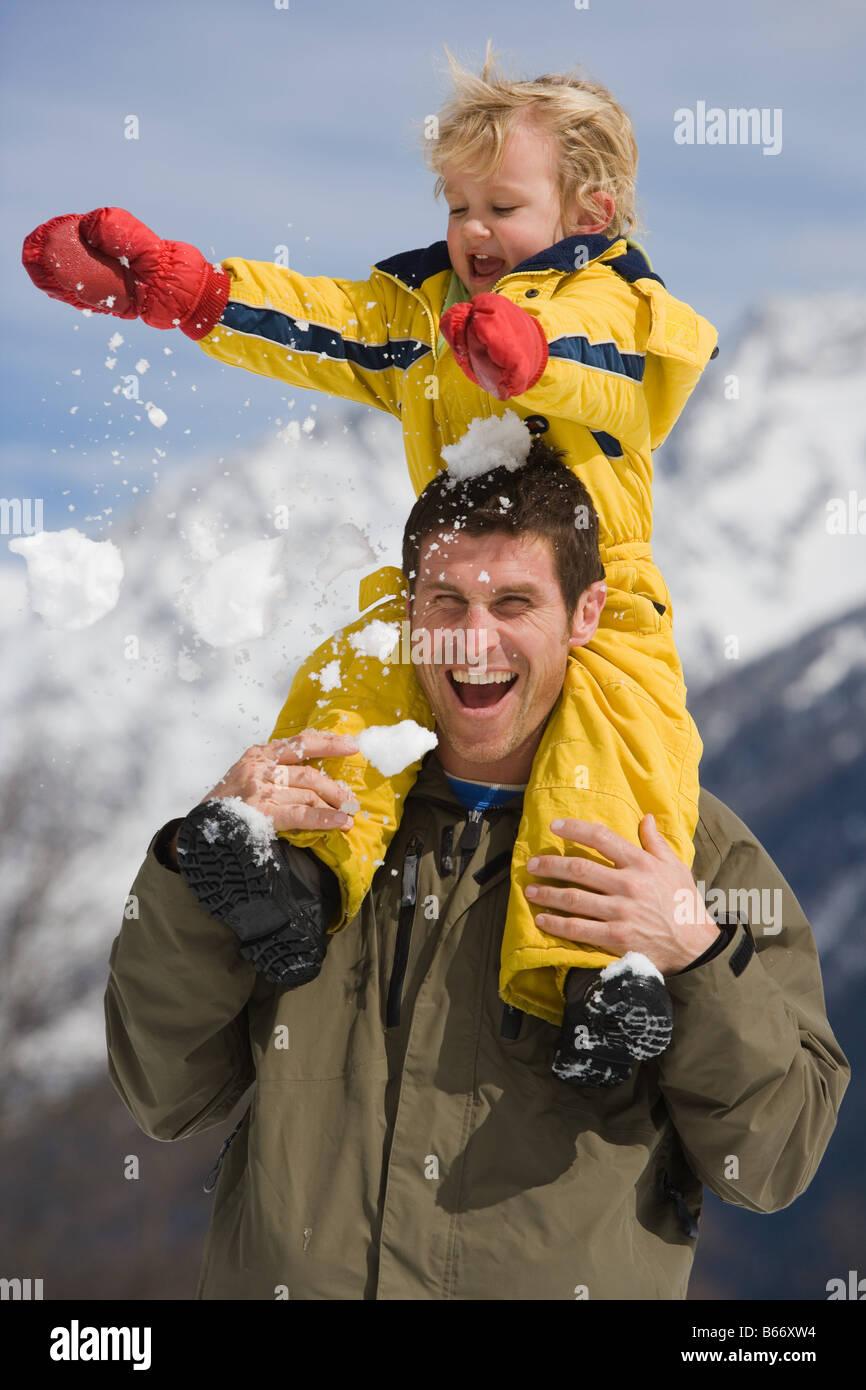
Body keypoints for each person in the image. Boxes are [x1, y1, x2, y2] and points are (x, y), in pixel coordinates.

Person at [30, 50, 720, 1076]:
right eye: (456, 206)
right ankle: (299, 880)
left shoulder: (610, 302)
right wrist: (188, 293)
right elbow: (322, 324)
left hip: (594, 595)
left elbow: (600, 370)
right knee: (354, 683)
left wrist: (523, 348)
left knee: (615, 749)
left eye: (501, 204)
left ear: (590, 209)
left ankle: (597, 977)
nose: (472, 230)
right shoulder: (423, 318)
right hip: (444, 581)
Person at [104, 456, 849, 1301]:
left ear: (585, 615)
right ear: (408, 609)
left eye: (514, 603)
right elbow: (165, 1097)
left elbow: (773, 1160)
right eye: (447, 602)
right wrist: (186, 871)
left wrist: (698, 957)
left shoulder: (685, 848)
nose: (474, 640)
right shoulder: (318, 826)